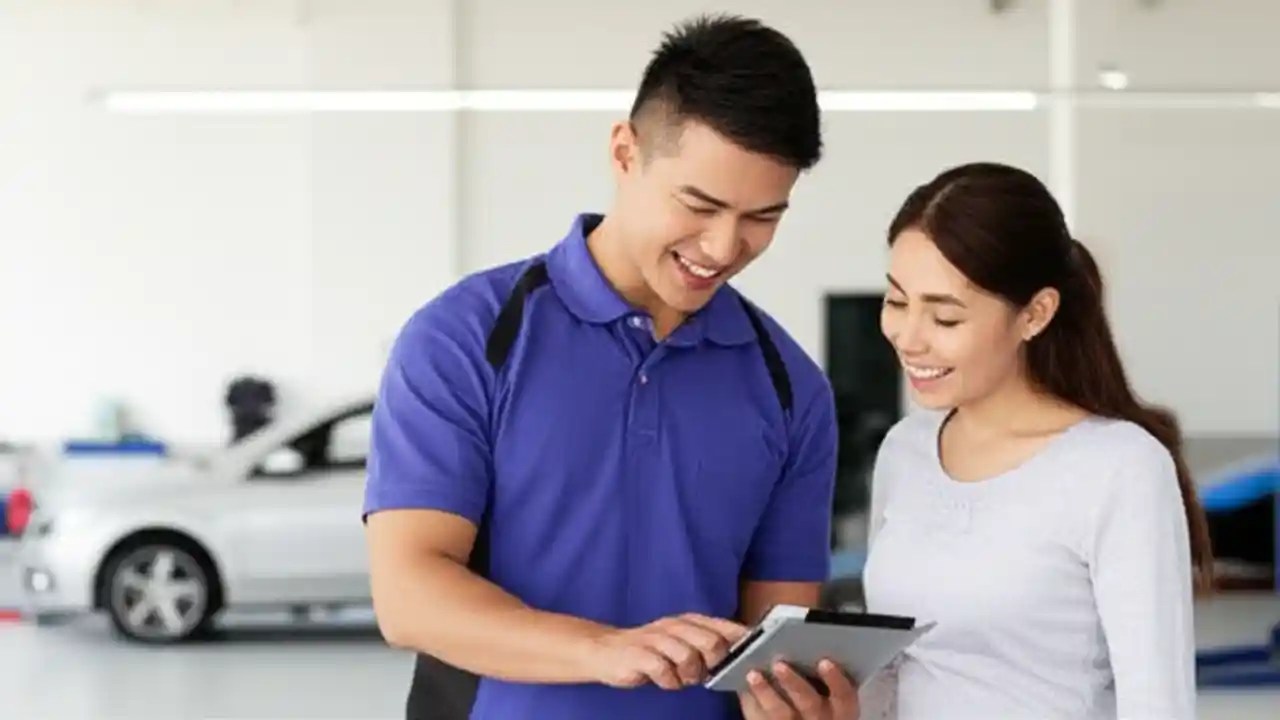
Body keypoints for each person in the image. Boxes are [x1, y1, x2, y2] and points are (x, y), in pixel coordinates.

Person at [363, 13, 860, 720]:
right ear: (625, 153)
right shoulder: (465, 338)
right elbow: (408, 596)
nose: (723, 247)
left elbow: (775, 642)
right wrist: (602, 650)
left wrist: (799, 701)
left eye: (763, 217)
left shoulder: (791, 388)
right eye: (700, 204)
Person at [861, 161, 1213, 720]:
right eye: (897, 302)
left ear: (1035, 314)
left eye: (945, 318)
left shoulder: (1120, 467)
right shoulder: (906, 449)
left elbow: (1158, 704)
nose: (908, 337)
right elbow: (889, 678)